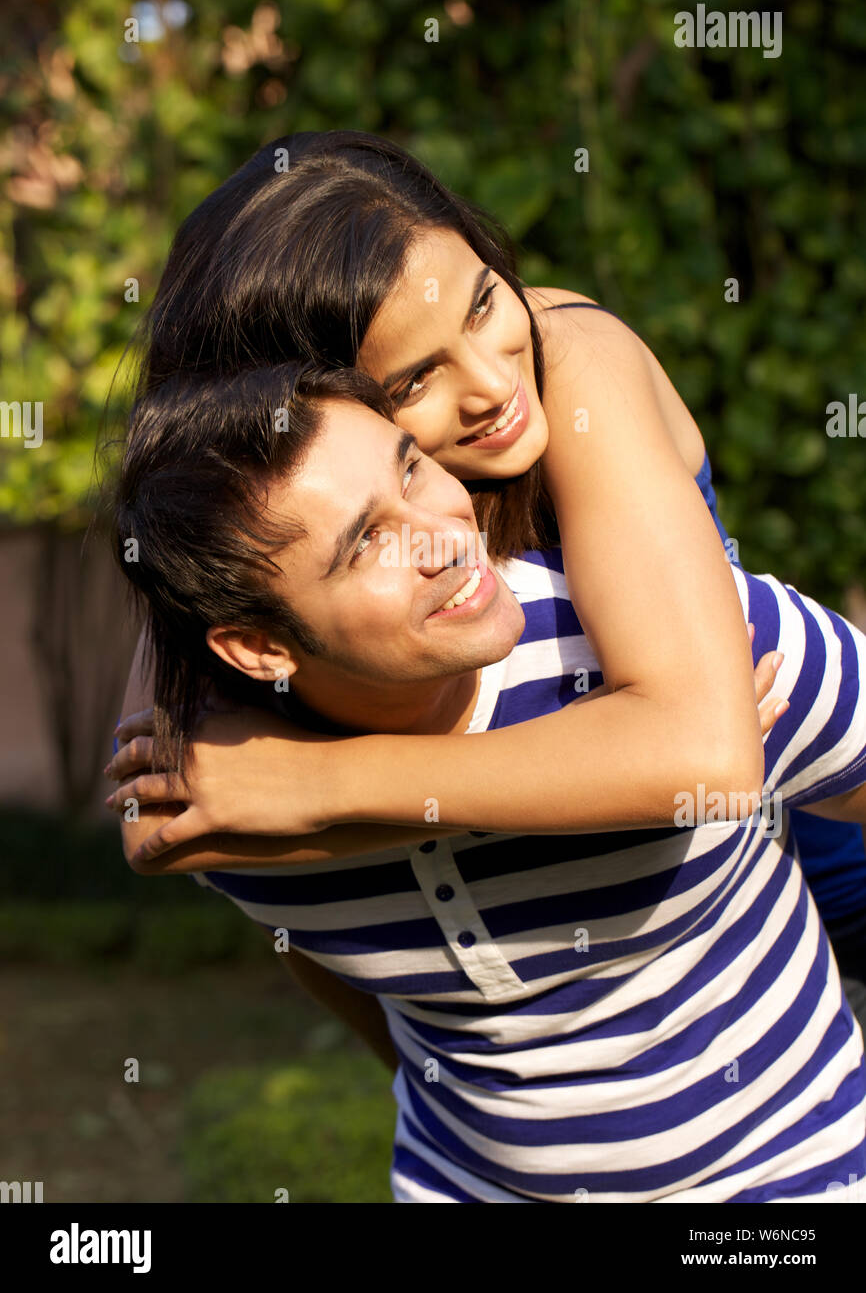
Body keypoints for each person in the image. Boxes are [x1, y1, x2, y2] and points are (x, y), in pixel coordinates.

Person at [117, 131, 866, 1004]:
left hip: (821, 829)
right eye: (411, 383)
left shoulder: (571, 360)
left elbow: (702, 755)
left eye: (479, 304)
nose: (491, 384)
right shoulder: (295, 522)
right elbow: (164, 822)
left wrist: (317, 785)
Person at [107, 361, 866, 1203]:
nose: (443, 534)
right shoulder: (227, 792)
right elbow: (318, 946)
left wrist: (330, 784)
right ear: (257, 649)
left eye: (412, 467)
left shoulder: (675, 650)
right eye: (366, 543)